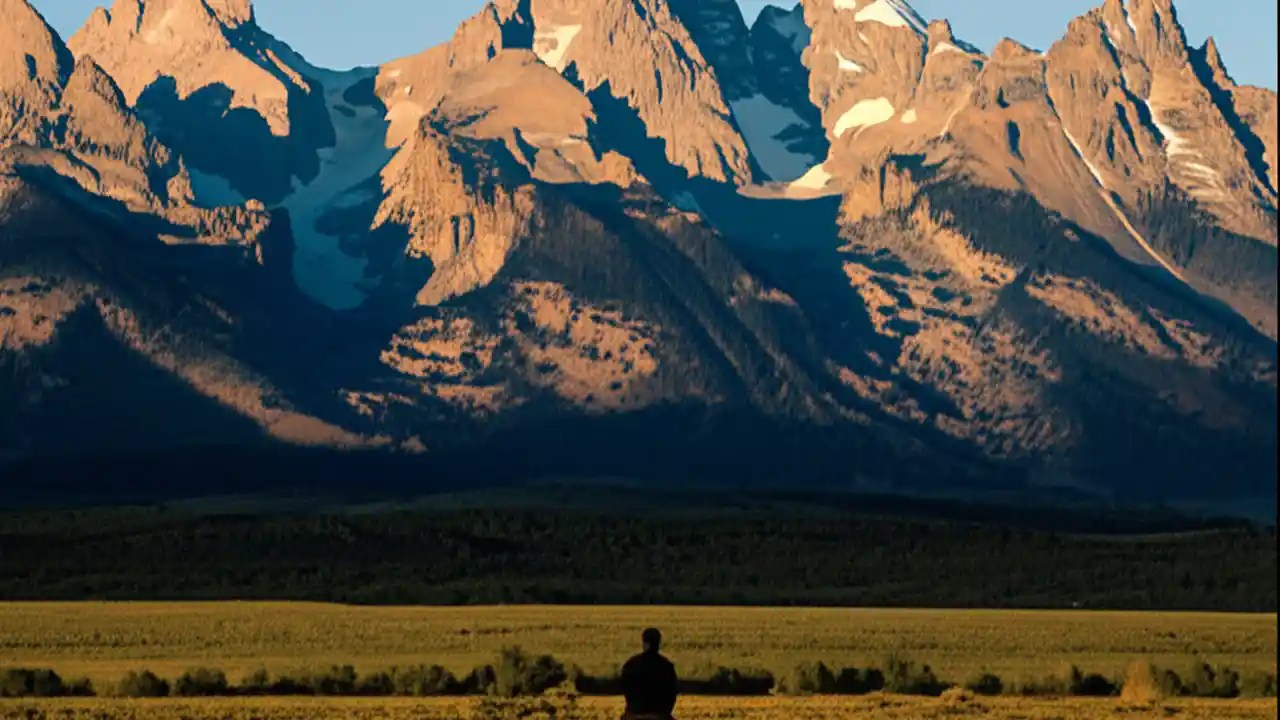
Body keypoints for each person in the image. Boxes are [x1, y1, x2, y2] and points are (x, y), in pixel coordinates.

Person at [620, 628, 678, 720]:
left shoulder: (631, 664)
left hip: (634, 714)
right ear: (658, 643)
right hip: (659, 715)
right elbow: (672, 695)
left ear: (644, 642)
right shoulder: (666, 666)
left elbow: (626, 689)